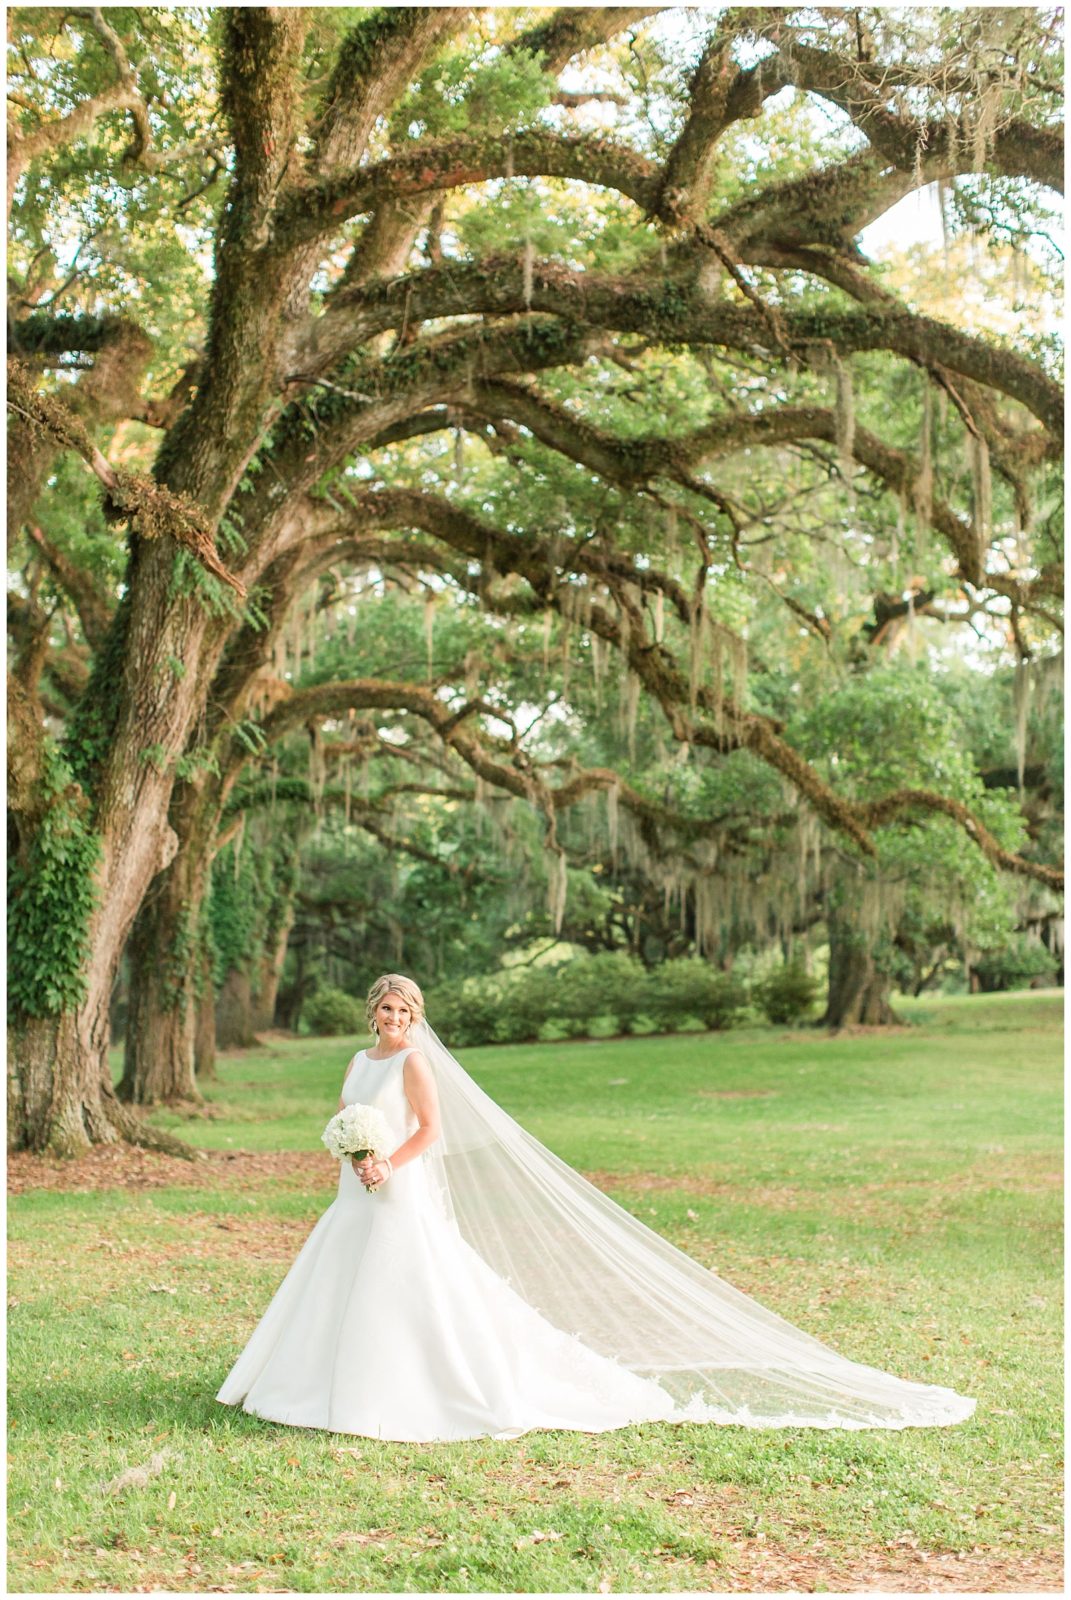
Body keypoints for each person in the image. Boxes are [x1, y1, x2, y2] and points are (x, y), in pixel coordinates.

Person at [216, 973, 976, 1442]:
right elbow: (351, 1113)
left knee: (413, 1288)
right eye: (383, 1009)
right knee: (338, 1281)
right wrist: (353, 1153)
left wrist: (387, 1163)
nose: (390, 1019)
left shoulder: (417, 1063)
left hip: (397, 1187)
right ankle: (311, 1385)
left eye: (401, 1010)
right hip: (355, 1190)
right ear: (370, 1013)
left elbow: (430, 1131)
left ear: (415, 1018)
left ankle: (420, 1388)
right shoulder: (357, 1060)